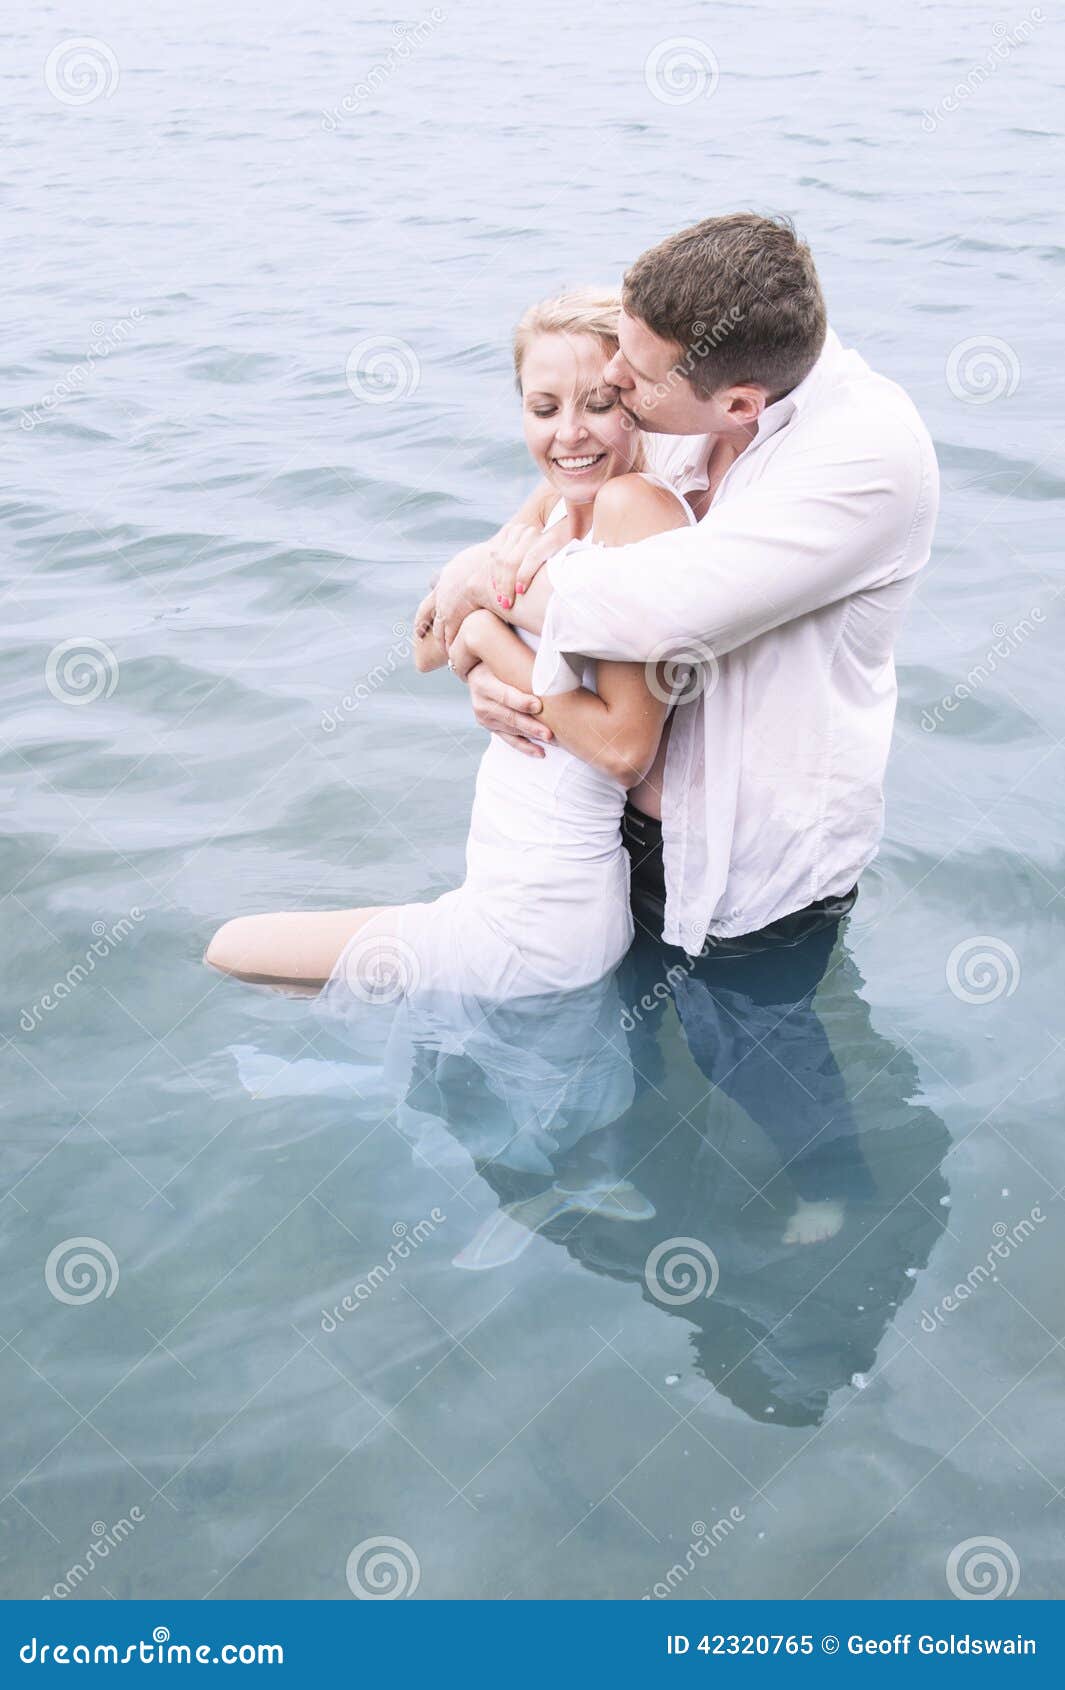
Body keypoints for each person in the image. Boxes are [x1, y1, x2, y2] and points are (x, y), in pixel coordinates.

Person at [432, 212, 940, 1244]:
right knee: (640, 1011)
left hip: (760, 842)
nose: (618, 382)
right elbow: (573, 476)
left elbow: (641, 603)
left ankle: (832, 1186)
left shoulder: (864, 461)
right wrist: (481, 556)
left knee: (755, 1034)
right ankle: (655, 1167)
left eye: (634, 375)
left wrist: (478, 609)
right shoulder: (692, 370)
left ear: (738, 405)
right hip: (640, 814)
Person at [204, 288, 696, 1001]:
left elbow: (622, 751)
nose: (568, 435)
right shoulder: (557, 504)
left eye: (597, 404)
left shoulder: (634, 508)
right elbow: (428, 643)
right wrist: (473, 635)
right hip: (506, 890)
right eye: (544, 408)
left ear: (634, 398)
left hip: (543, 915)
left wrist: (483, 635)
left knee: (235, 949)